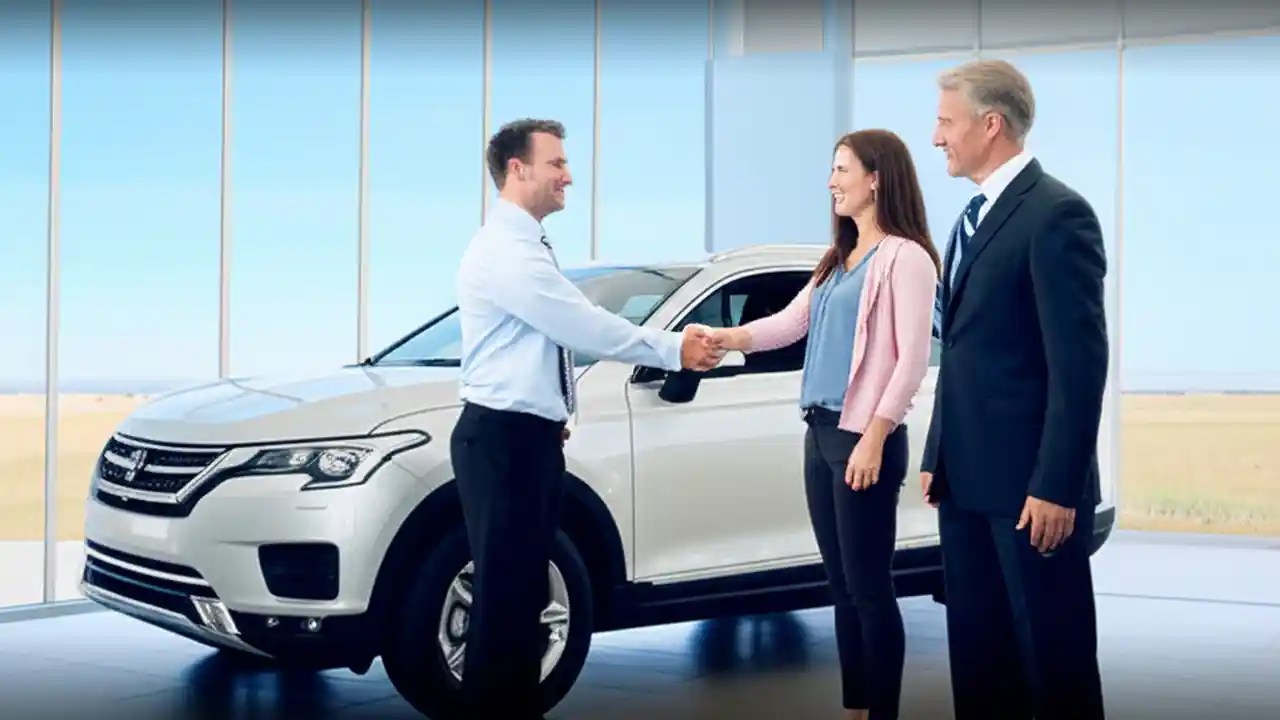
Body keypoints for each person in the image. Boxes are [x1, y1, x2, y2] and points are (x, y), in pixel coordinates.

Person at [452, 118, 724, 719]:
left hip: (523, 437)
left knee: (520, 603)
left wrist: (554, 411)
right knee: (505, 608)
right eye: (557, 163)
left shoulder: (525, 247)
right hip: (505, 440)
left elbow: (552, 336)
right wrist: (672, 348)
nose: (568, 175)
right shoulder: (504, 251)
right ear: (517, 169)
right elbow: (579, 325)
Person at [711, 129, 940, 720]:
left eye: (841, 169)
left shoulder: (905, 258)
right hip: (821, 434)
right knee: (841, 588)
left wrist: (875, 434)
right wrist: (726, 338)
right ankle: (856, 709)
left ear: (876, 179)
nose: (832, 181)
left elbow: (911, 358)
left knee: (870, 590)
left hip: (864, 438)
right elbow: (789, 325)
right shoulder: (838, 261)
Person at [921, 59, 1109, 719]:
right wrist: (935, 455)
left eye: (946, 122)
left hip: (1033, 495)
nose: (937, 137)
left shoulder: (1057, 215)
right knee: (980, 664)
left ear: (990, 124)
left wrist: (1057, 484)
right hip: (967, 486)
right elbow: (963, 350)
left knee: (1052, 668)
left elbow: (1079, 366)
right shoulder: (972, 217)